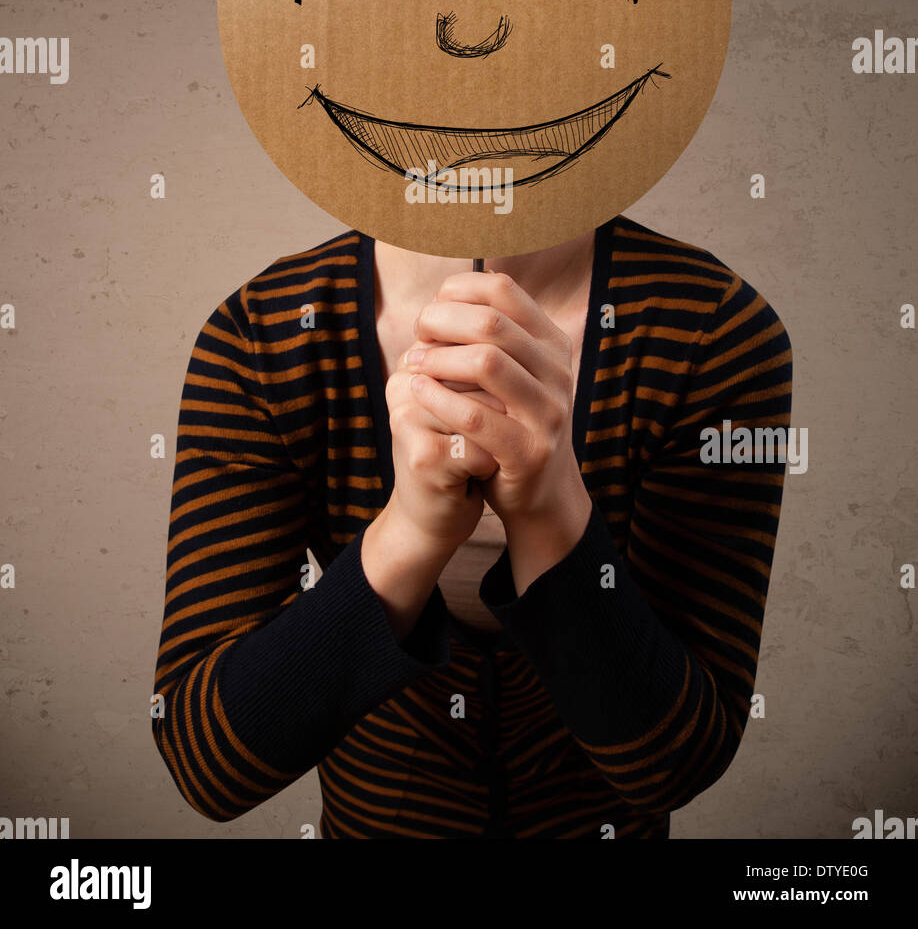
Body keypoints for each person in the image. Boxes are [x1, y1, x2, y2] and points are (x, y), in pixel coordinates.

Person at [151, 213, 791, 838]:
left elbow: (678, 764)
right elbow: (208, 764)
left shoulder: (711, 329)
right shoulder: (263, 336)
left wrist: (550, 510)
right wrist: (409, 532)